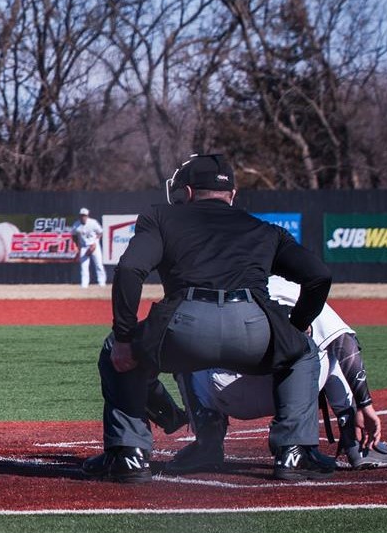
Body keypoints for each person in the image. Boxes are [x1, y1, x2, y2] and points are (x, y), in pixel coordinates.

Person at [86, 153, 334, 482]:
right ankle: (294, 452)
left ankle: (128, 455)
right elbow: (319, 275)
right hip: (254, 330)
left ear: (187, 192)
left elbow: (130, 269)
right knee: (303, 351)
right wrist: (296, 328)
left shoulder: (160, 218)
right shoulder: (263, 229)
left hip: (183, 328)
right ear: (232, 194)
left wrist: (123, 336)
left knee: (117, 349)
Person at [163, 276, 387, 473]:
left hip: (226, 394)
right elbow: (345, 343)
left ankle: (207, 442)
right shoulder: (288, 285)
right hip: (292, 394)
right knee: (330, 342)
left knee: (187, 346)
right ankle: (352, 442)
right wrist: (365, 405)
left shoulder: (218, 286)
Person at [71, 207, 105, 287]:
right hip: (84, 246)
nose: (83, 217)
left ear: (87, 216)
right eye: (82, 215)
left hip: (94, 245)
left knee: (99, 265)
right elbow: (74, 235)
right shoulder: (76, 225)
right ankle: (84, 284)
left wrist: (95, 243)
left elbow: (100, 232)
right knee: (84, 266)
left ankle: (102, 283)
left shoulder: (93, 223)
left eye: (85, 215)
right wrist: (76, 245)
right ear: (79, 216)